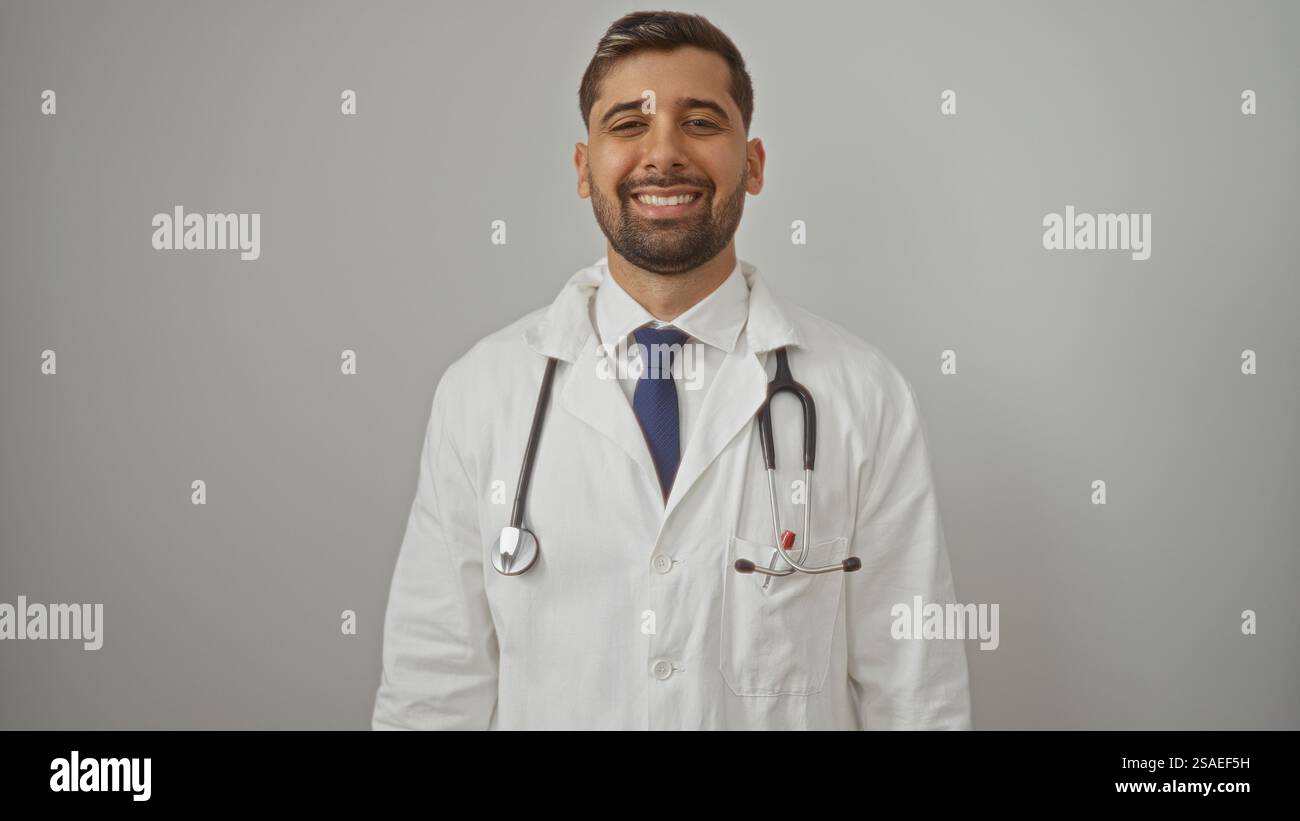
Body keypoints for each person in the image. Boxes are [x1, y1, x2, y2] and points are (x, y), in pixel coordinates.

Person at [372, 10, 971, 730]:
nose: (664, 155)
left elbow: (917, 692)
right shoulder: (482, 393)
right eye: (628, 124)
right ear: (582, 165)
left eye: (700, 123)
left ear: (751, 164)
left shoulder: (861, 394)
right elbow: (433, 690)